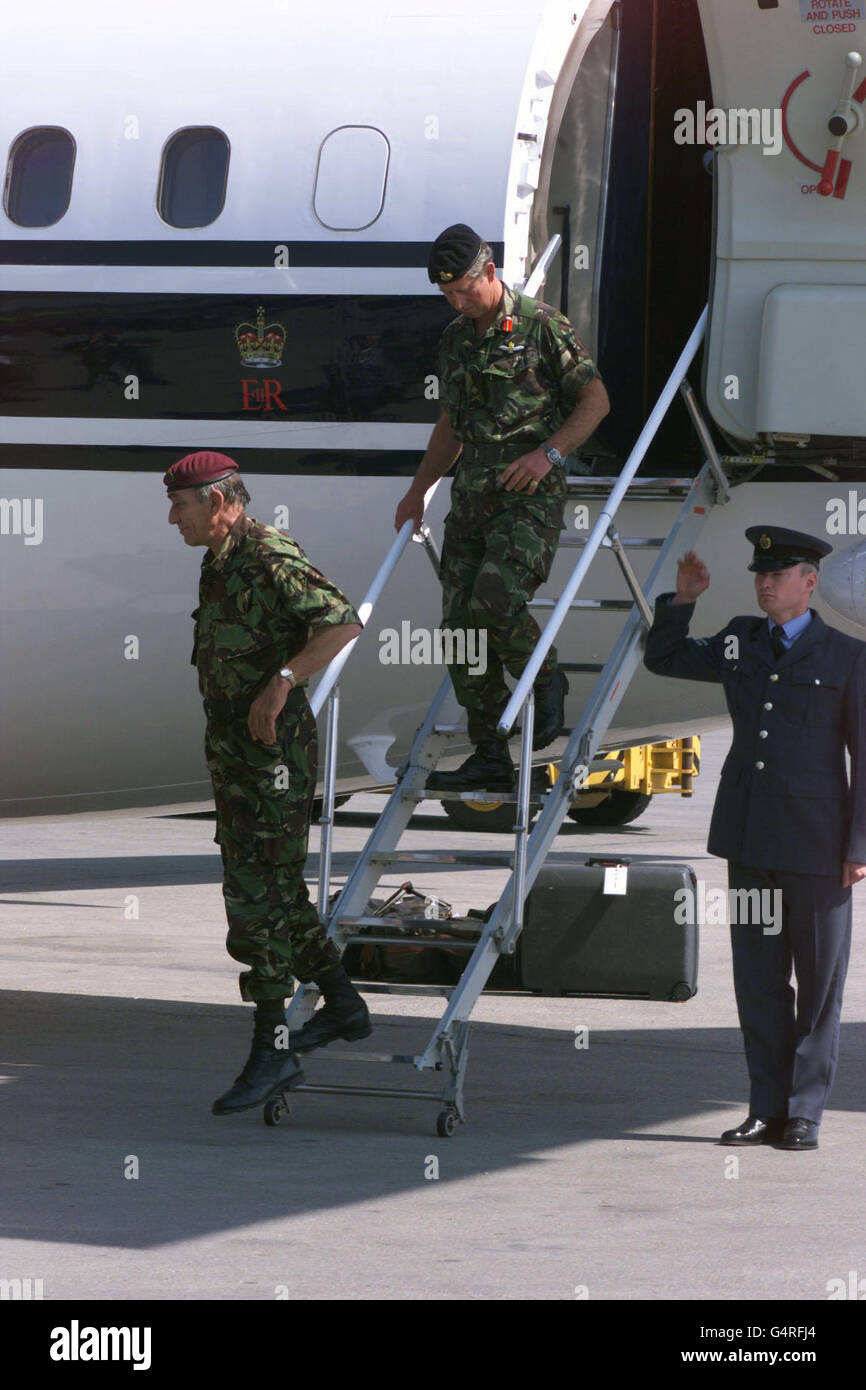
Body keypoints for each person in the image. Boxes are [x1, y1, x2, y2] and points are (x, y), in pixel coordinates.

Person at [644, 526, 866, 1150]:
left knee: (819, 985)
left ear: (809, 582)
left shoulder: (847, 655)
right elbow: (665, 659)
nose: (765, 584)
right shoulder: (741, 639)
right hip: (749, 839)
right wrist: (682, 601)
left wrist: (860, 846)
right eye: (759, 576)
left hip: (820, 847)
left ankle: (804, 1114)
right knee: (760, 981)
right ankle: (765, 1108)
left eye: (778, 574)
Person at [165, 450, 367, 1115]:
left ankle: (272, 1046)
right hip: (236, 749)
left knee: (256, 898)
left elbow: (342, 620)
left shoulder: (268, 552)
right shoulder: (219, 560)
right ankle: (340, 1004)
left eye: (183, 506)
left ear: (220, 502)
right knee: (273, 890)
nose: (174, 519)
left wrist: (284, 680)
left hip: (270, 752)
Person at [395, 223, 610, 793]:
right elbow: (451, 425)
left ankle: (545, 678)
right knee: (458, 629)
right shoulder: (455, 340)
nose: (458, 302)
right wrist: (418, 490)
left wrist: (550, 453)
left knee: (494, 600)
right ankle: (490, 751)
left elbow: (595, 398)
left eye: (464, 290)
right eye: (448, 295)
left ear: (489, 272)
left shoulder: (541, 324)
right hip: (471, 493)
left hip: (527, 491)